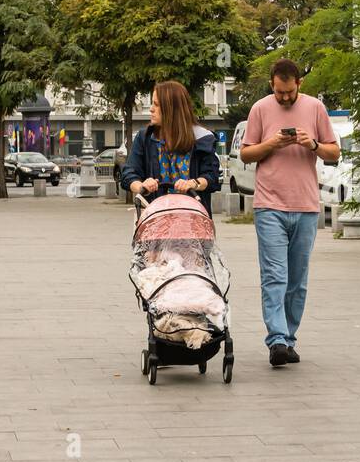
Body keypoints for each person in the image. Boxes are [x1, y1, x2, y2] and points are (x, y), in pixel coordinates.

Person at [238, 59, 339, 367]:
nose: (284, 98)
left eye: (289, 92)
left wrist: (313, 144)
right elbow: (245, 153)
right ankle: (277, 340)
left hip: (306, 206)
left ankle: (289, 338)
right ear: (272, 85)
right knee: (274, 277)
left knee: (297, 280)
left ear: (299, 85)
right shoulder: (259, 109)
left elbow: (334, 153)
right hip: (269, 205)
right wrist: (272, 143)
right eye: (279, 92)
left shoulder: (316, 109)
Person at [121, 81, 221, 215]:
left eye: (156, 104)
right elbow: (129, 174)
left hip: (192, 218)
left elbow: (212, 177)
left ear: (172, 109)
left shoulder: (202, 138)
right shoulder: (145, 137)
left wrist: (193, 184)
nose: (151, 109)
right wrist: (142, 186)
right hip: (155, 218)